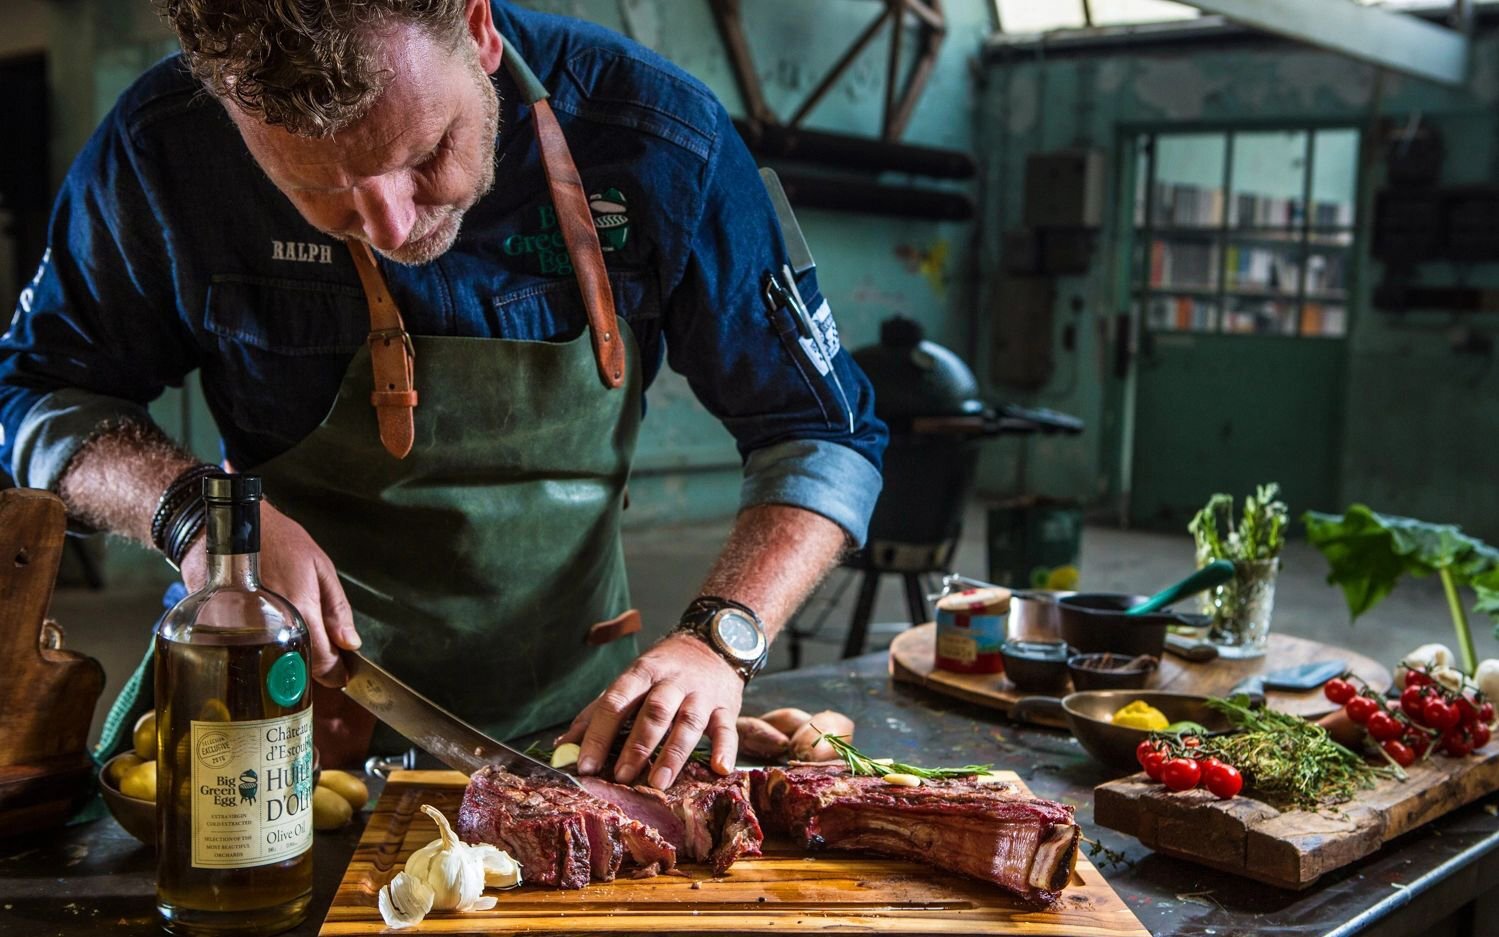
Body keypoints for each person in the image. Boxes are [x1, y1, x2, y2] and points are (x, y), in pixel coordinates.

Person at [0, 0, 885, 790]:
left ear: (477, 27)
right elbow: (37, 394)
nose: (390, 225)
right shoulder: (163, 147)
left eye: (425, 153)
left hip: (575, 739)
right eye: (315, 187)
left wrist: (720, 637)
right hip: (277, 732)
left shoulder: (656, 134)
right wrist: (196, 515)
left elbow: (821, 431)